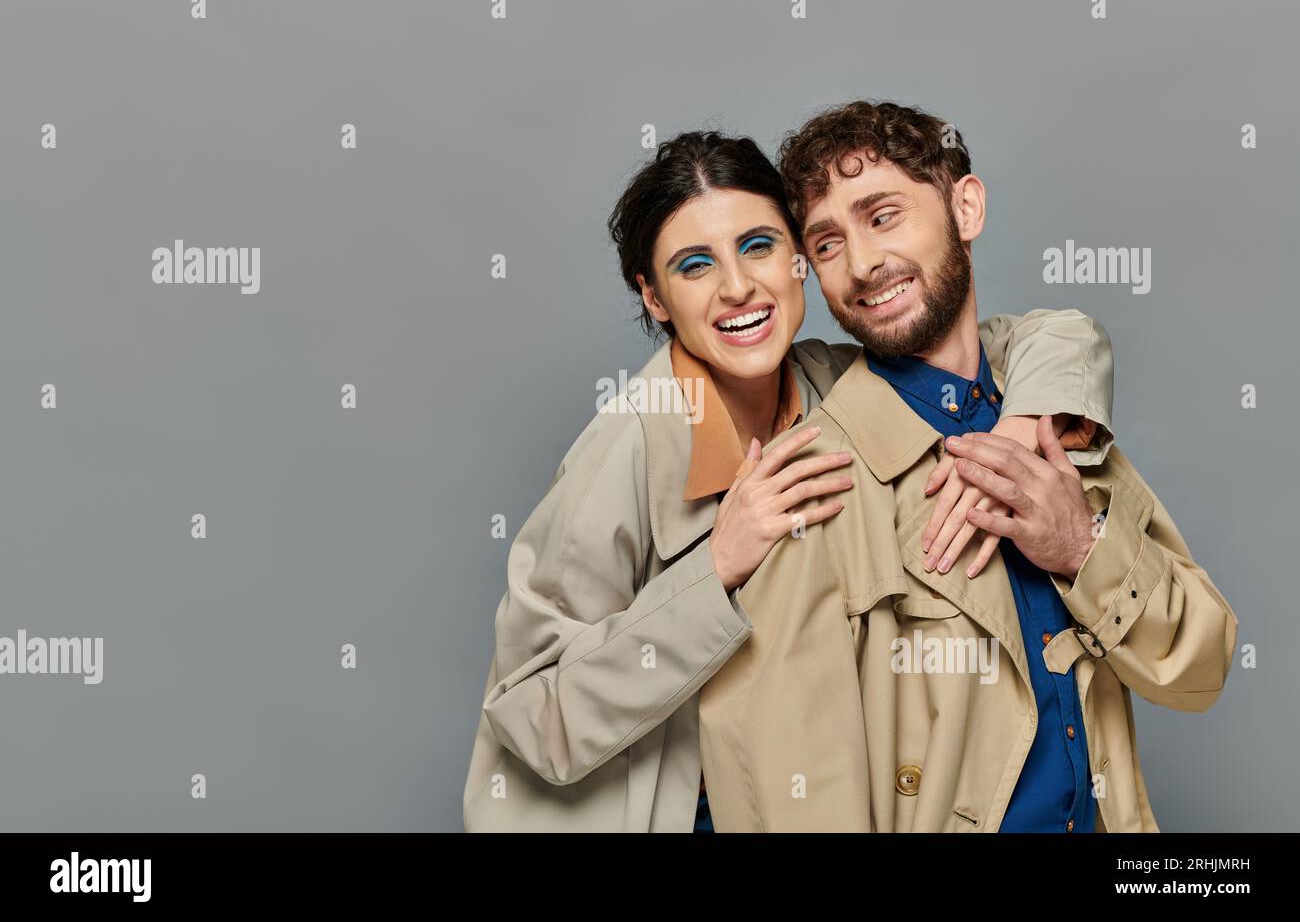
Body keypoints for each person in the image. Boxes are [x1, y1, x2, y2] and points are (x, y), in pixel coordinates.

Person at [463, 129, 1118, 832]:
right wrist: (714, 570)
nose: (737, 286)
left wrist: (1022, 423)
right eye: (693, 265)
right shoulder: (631, 443)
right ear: (653, 297)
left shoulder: (832, 382)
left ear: (799, 259)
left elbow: (1038, 336)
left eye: (758, 246)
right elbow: (533, 716)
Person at [697, 100, 1238, 832]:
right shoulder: (812, 482)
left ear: (966, 206)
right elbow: (787, 793)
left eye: (883, 215)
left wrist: (1083, 549)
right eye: (826, 244)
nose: (860, 265)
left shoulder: (1057, 419)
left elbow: (1201, 667)